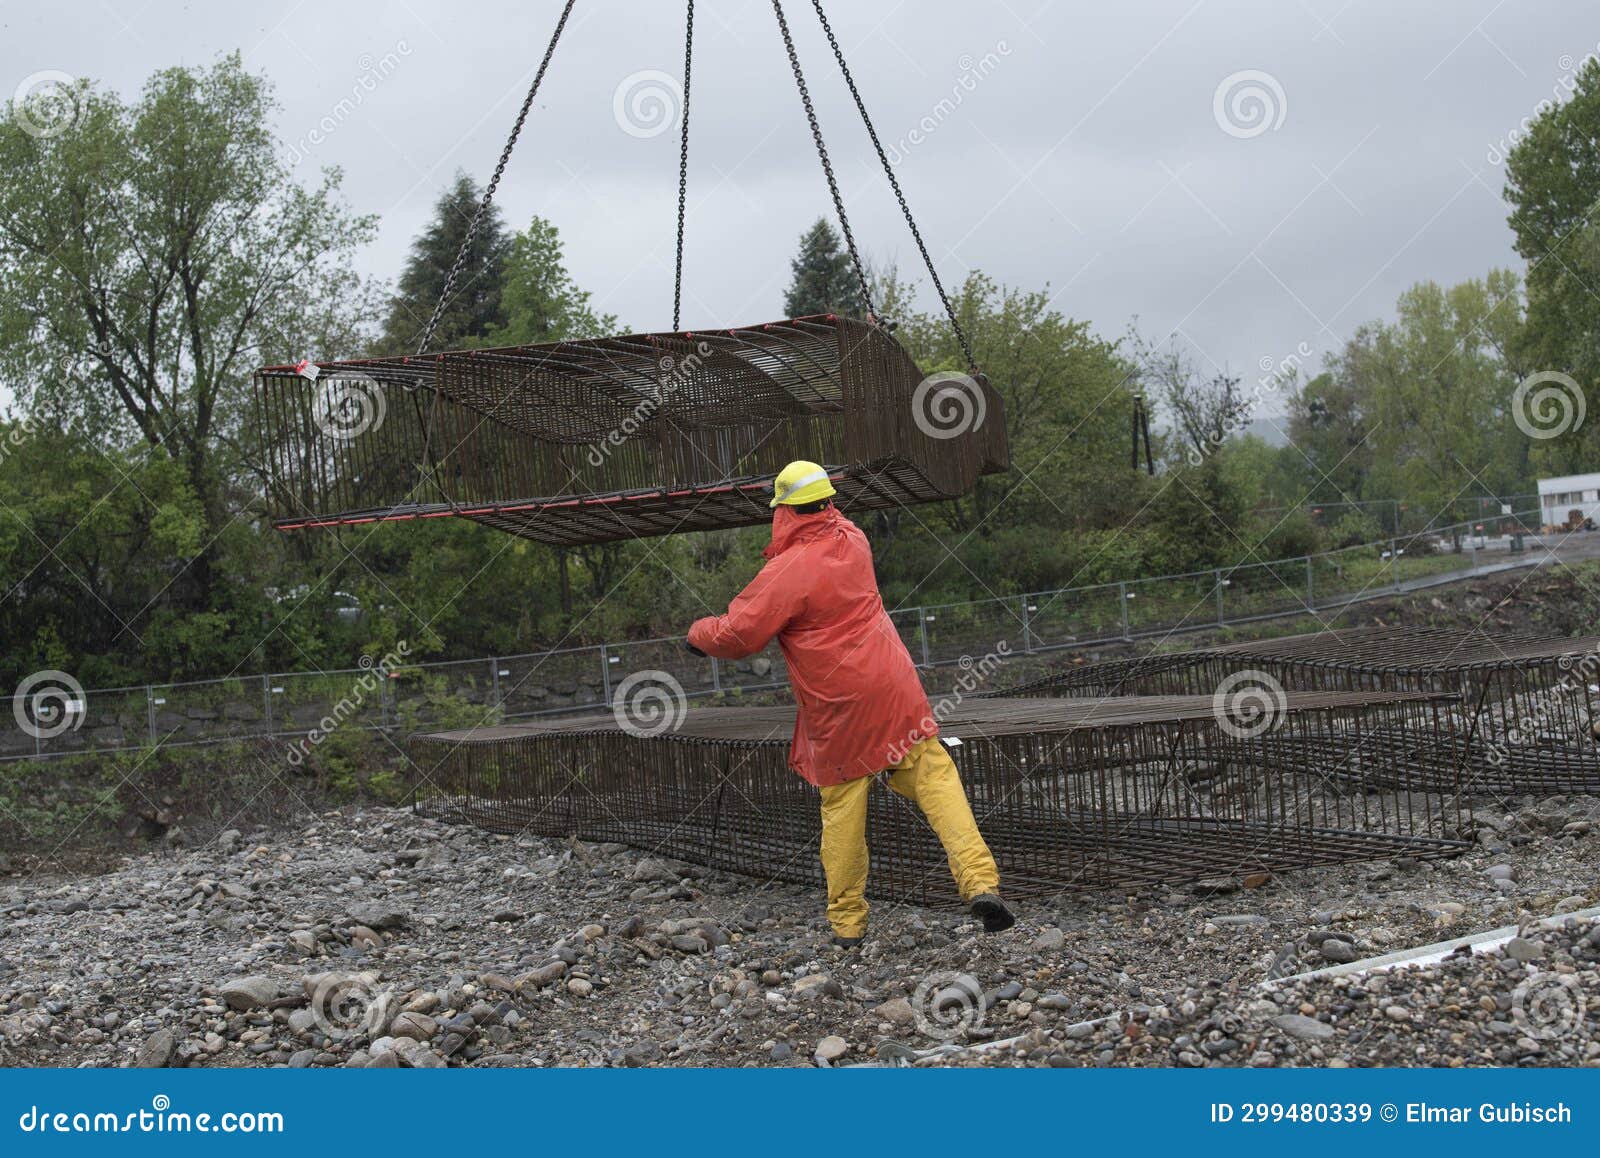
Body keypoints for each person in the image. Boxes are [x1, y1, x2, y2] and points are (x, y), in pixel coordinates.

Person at [686, 459, 1014, 947]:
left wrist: (697, 635)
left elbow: (738, 634)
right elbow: (828, 522)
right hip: (895, 689)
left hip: (840, 707)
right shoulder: (854, 539)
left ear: (784, 511)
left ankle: (848, 924)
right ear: (827, 502)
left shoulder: (788, 570)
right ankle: (980, 882)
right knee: (936, 780)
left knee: (842, 812)